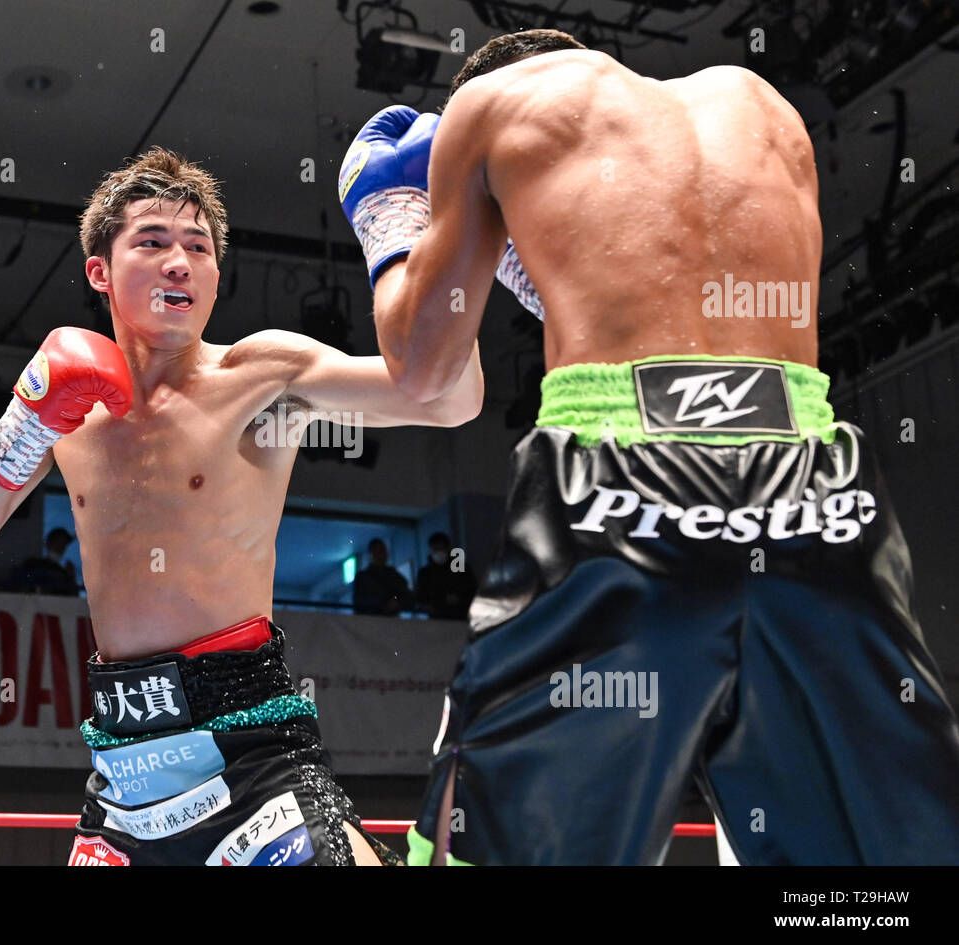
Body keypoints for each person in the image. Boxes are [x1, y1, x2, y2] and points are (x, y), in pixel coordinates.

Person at [340, 29, 959, 864]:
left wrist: (390, 224)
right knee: (869, 884)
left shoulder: (485, 110)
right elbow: (691, 305)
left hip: (617, 480)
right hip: (815, 479)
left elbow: (422, 366)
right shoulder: (762, 107)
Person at [0, 147, 483, 866]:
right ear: (100, 270)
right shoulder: (71, 408)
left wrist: (398, 239)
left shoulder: (261, 378)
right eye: (152, 243)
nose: (179, 262)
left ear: (217, 275)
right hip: (125, 776)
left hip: (252, 752)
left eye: (198, 247)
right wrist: (27, 422)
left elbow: (453, 399)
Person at [415, 532, 475, 620]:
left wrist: (460, 599)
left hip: (461, 616)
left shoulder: (461, 568)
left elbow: (472, 590)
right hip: (437, 618)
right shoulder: (425, 573)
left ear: (448, 549)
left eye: (441, 549)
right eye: (435, 549)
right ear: (431, 550)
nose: (439, 552)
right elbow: (421, 597)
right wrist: (441, 601)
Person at [351, 538, 412, 616]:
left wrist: (397, 602)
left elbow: (406, 596)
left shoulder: (394, 576)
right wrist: (383, 604)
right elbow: (359, 602)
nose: (381, 555)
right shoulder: (362, 577)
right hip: (370, 620)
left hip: (392, 621)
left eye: (383, 551)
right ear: (370, 554)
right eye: (377, 552)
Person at [12, 528, 80, 595]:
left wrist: (70, 577)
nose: (60, 548)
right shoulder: (32, 564)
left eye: (63, 545)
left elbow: (73, 596)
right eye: (57, 543)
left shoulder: (65, 572)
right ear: (48, 543)